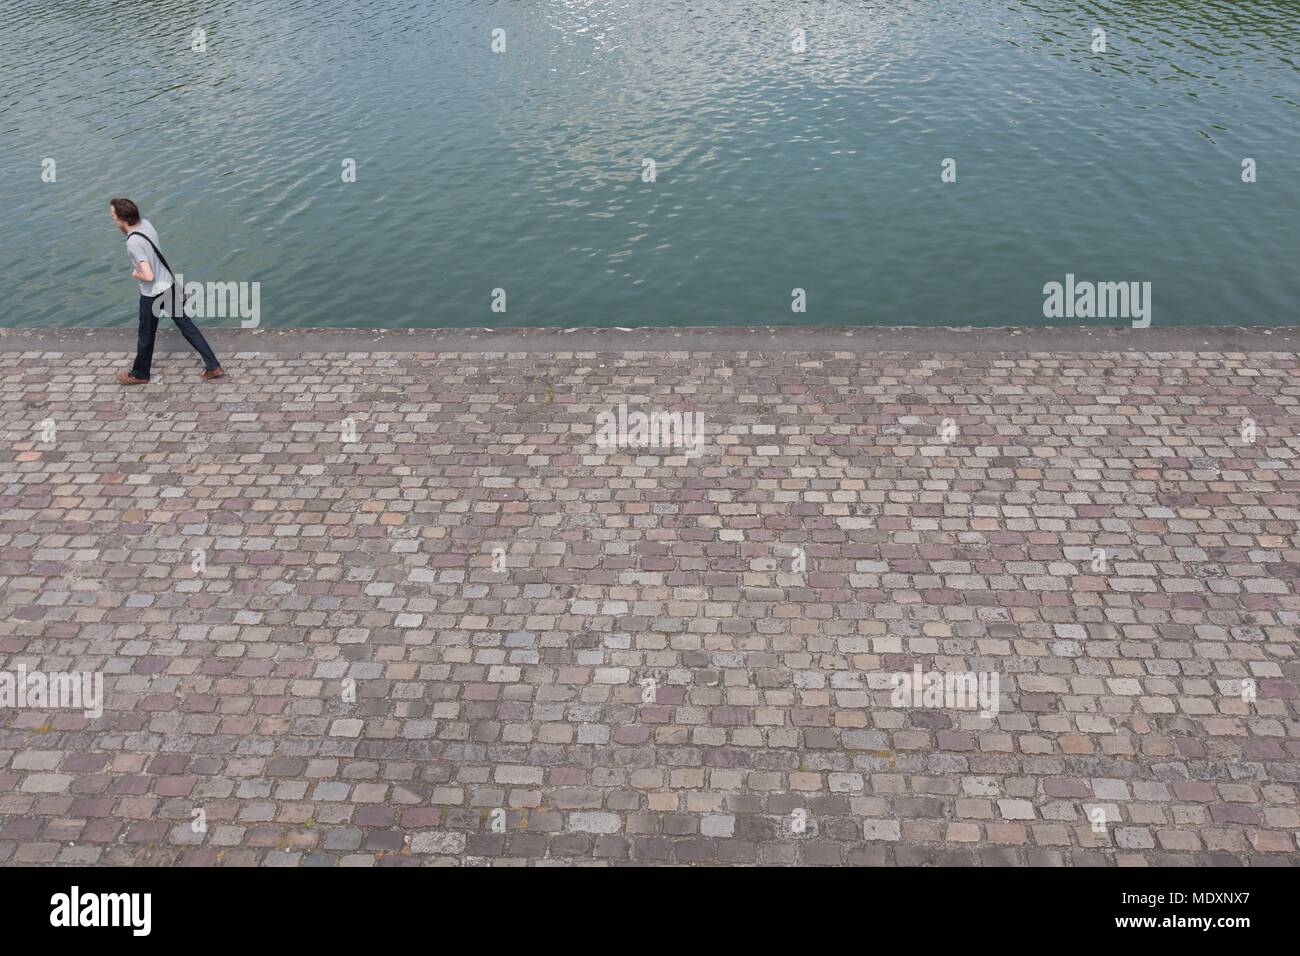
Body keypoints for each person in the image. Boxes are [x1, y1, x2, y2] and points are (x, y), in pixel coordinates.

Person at [109, 198, 224, 384]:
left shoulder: (132, 243)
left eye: (113, 216)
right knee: (187, 326)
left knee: (146, 334)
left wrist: (135, 274)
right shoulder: (146, 224)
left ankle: (140, 374)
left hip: (152, 293)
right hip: (168, 286)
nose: (113, 219)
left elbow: (148, 275)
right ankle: (213, 365)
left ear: (122, 218)